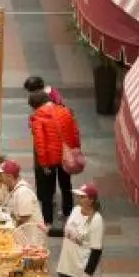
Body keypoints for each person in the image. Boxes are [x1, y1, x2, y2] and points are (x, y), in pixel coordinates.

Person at [28, 86, 80, 232]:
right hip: (65, 156)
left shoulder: (38, 117)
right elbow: (75, 132)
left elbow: (40, 143)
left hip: (49, 160)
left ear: (35, 105)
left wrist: (43, 163)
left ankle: (48, 221)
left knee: (47, 191)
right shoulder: (65, 111)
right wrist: (75, 149)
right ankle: (68, 214)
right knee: (66, 185)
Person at [0, 157, 45, 232]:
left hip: (31, 238)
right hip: (21, 234)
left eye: (1, 175)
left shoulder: (23, 192)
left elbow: (24, 218)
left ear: (9, 177)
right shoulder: (7, 186)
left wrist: (6, 231)